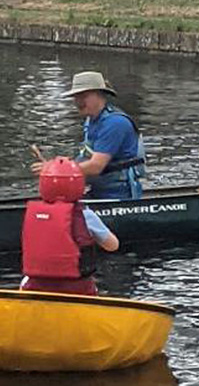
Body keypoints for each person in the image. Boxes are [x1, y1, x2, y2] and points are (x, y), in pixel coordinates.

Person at [33, 71, 146, 200]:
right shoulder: (91, 121)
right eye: (76, 97)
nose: (78, 102)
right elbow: (86, 158)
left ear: (99, 95)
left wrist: (55, 171)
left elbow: (96, 166)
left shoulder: (115, 123)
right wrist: (59, 165)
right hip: (99, 191)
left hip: (120, 195)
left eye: (83, 96)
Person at [21, 157, 119, 296]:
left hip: (35, 287)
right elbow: (112, 245)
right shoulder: (85, 215)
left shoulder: (32, 213)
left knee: (24, 283)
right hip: (77, 288)